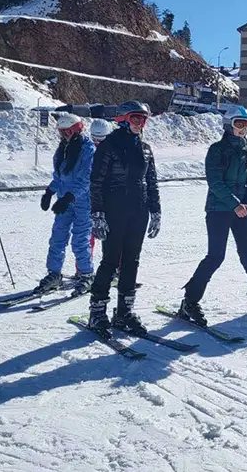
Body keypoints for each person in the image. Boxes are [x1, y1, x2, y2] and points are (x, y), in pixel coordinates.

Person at [178, 106, 247, 328]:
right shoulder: (217, 150)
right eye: (239, 124)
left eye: (246, 125)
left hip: (242, 211)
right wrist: (234, 204)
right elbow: (215, 181)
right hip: (219, 210)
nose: (243, 129)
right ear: (229, 125)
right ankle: (189, 301)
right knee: (215, 256)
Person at [87, 101, 161, 335]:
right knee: (110, 261)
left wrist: (155, 211)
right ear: (123, 120)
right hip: (114, 210)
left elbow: (151, 182)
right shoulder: (109, 146)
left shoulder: (146, 148)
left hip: (138, 211)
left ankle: (124, 313)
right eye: (135, 118)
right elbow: (96, 183)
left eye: (143, 119)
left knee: (132, 261)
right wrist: (97, 214)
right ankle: (97, 313)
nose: (140, 123)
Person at [34, 114, 95, 294]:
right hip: (64, 200)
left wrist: (69, 196)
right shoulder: (63, 149)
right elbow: (59, 177)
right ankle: (54, 274)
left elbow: (86, 179)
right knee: (57, 238)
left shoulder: (88, 149)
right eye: (62, 132)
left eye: (68, 131)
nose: (65, 135)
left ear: (77, 129)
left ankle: (86, 274)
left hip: (83, 202)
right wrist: (49, 191)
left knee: (79, 240)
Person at [88, 118, 113, 261]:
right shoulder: (88, 151)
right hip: (91, 199)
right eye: (94, 139)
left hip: (109, 198)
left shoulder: (113, 151)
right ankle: (84, 270)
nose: (97, 143)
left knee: (111, 236)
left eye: (100, 140)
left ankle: (113, 268)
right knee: (88, 235)